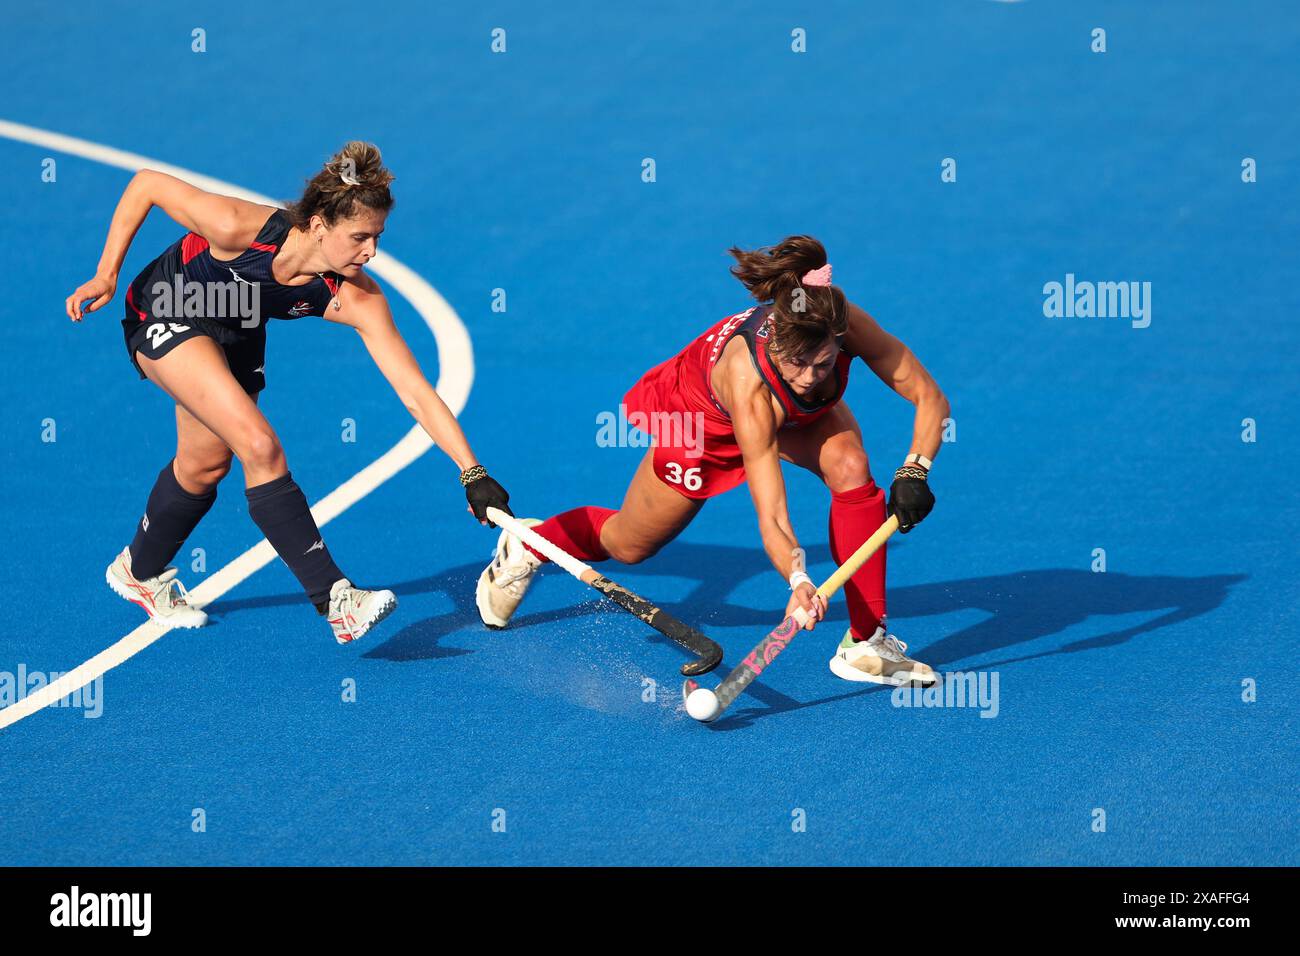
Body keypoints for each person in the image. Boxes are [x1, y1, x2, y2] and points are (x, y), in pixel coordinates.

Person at [66, 142, 511, 644]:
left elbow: (413, 389)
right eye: (360, 237)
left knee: (204, 467)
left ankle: (138, 572)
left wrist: (471, 471)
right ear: (320, 226)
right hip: (168, 306)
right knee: (259, 445)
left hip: (236, 329)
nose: (371, 252)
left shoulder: (354, 294)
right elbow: (146, 182)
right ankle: (336, 598)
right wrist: (107, 273)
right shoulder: (240, 227)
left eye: (377, 237)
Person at [476, 236, 945, 684]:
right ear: (777, 341)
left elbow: (929, 396)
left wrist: (915, 468)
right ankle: (532, 543)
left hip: (787, 416)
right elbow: (772, 514)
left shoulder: (838, 319)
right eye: (797, 364)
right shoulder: (749, 385)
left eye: (823, 365)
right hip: (698, 423)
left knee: (850, 466)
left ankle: (866, 642)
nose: (808, 378)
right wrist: (797, 577)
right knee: (630, 545)